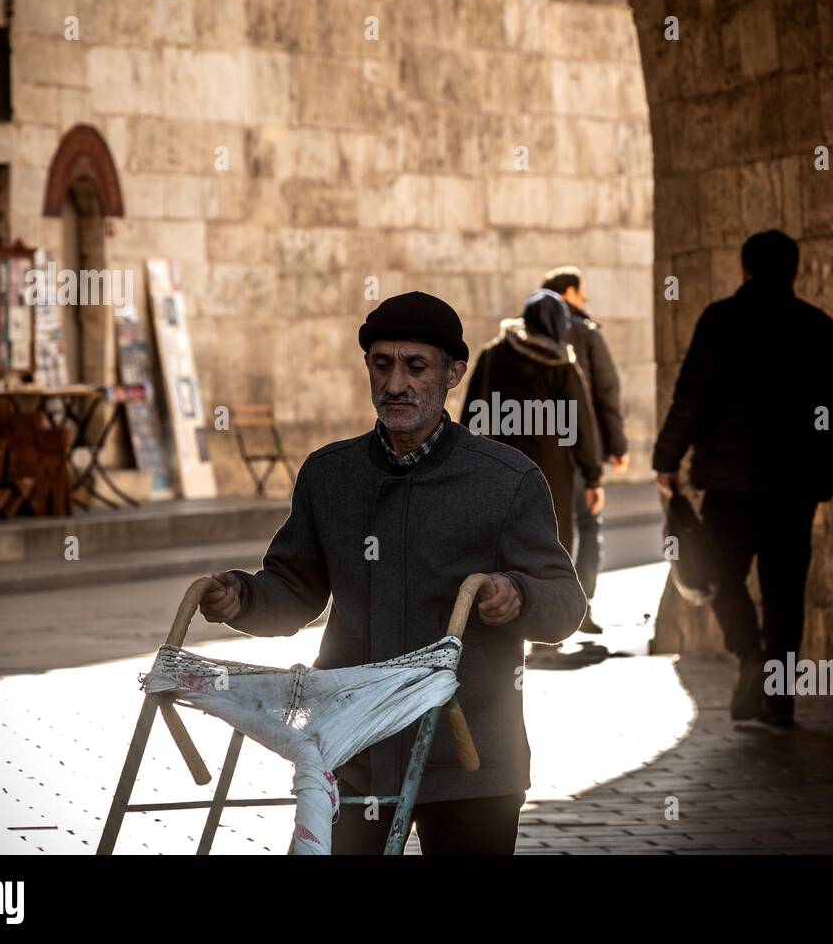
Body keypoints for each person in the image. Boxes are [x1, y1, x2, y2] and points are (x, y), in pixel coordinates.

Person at [199, 291, 586, 853]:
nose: (395, 383)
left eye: (415, 366)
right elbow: (294, 588)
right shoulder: (330, 475)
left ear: (454, 374)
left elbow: (565, 605)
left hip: (471, 756)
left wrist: (517, 595)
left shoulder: (506, 480)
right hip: (355, 751)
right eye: (382, 364)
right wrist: (245, 598)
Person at [652, 231, 833, 726]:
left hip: (730, 484)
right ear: (793, 271)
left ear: (744, 270)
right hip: (795, 484)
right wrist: (810, 427)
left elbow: (691, 397)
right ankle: (779, 697)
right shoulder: (815, 326)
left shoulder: (721, 321)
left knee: (723, 577)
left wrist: (667, 460)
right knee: (785, 588)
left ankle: (750, 655)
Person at [459, 289, 605, 565]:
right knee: (551, 547)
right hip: (551, 474)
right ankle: (547, 604)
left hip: (500, 468)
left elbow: (472, 415)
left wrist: (466, 467)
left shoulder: (493, 354)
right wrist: (593, 477)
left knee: (503, 547)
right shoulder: (562, 364)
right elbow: (580, 425)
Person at [542, 266, 629, 634]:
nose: (586, 300)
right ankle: (581, 606)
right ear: (571, 294)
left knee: (544, 529)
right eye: (582, 293)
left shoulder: (522, 333)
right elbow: (606, 393)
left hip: (537, 450)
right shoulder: (586, 332)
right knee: (587, 523)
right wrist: (616, 447)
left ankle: (544, 609)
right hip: (580, 448)